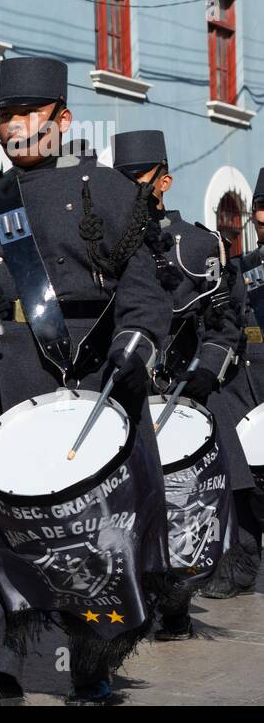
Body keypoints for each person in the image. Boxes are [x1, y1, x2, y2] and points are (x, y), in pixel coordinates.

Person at [0, 57, 169, 706]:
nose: (14, 126)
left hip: (85, 374)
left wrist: (129, 352)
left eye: (29, 114)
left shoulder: (111, 190)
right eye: (6, 115)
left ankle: (89, 663)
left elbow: (145, 298)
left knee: (87, 528)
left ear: (62, 120)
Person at [111, 130, 240, 639]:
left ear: (163, 181)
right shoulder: (100, 241)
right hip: (122, 394)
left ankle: (175, 603)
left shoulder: (198, 243)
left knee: (181, 509)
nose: (127, 190)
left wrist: (207, 372)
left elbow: (224, 322)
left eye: (136, 180)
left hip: (184, 396)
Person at [201, 170, 264, 600]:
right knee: (243, 475)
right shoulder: (242, 268)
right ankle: (241, 563)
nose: (261, 217)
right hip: (246, 376)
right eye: (259, 211)